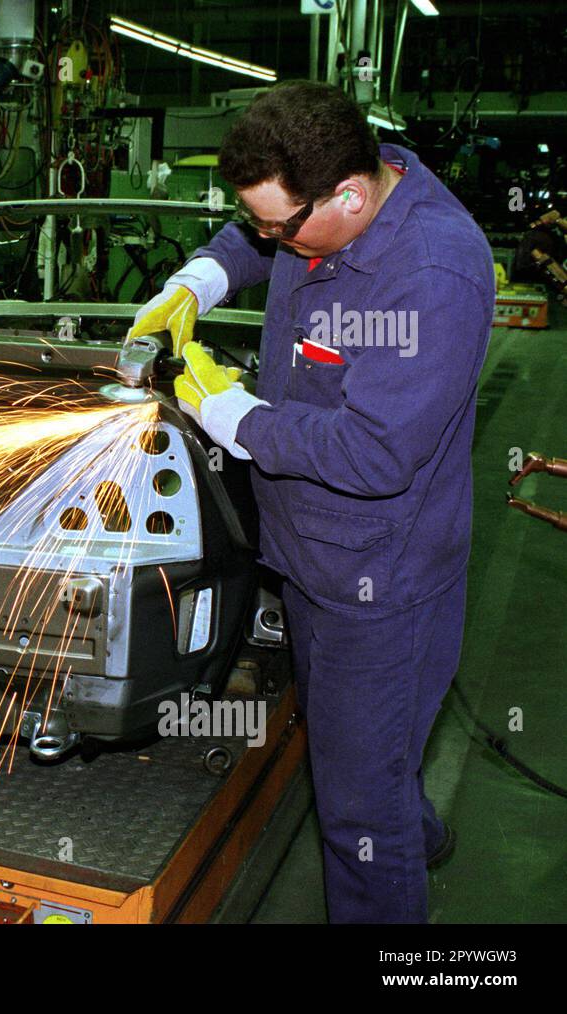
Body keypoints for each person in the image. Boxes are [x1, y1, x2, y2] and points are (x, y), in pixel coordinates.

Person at [127, 81, 494, 922]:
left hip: (380, 581)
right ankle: (408, 822)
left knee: (359, 813)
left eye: (277, 228)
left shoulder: (432, 276)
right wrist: (205, 275)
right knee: (364, 751)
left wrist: (237, 416)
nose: (268, 240)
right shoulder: (329, 200)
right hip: (309, 555)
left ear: (350, 197)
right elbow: (261, 234)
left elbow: (373, 451)